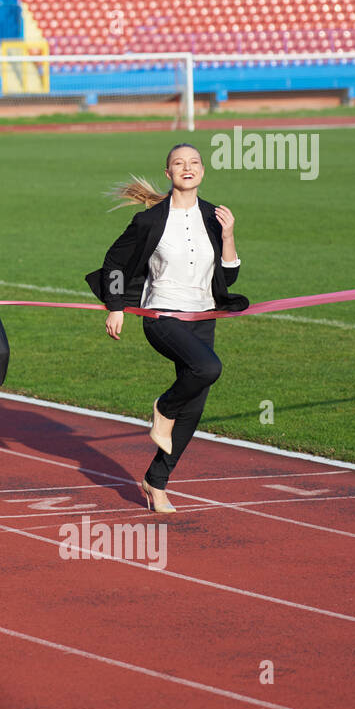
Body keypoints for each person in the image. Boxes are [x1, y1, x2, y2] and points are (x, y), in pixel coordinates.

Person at [86, 143, 246, 512]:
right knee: (208, 368)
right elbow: (114, 260)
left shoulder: (215, 216)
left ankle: (156, 481)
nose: (187, 168)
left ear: (202, 171)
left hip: (203, 316)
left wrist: (229, 234)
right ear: (168, 173)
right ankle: (163, 407)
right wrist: (115, 307)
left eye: (193, 163)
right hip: (162, 316)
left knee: (194, 407)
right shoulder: (150, 220)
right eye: (179, 163)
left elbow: (230, 276)